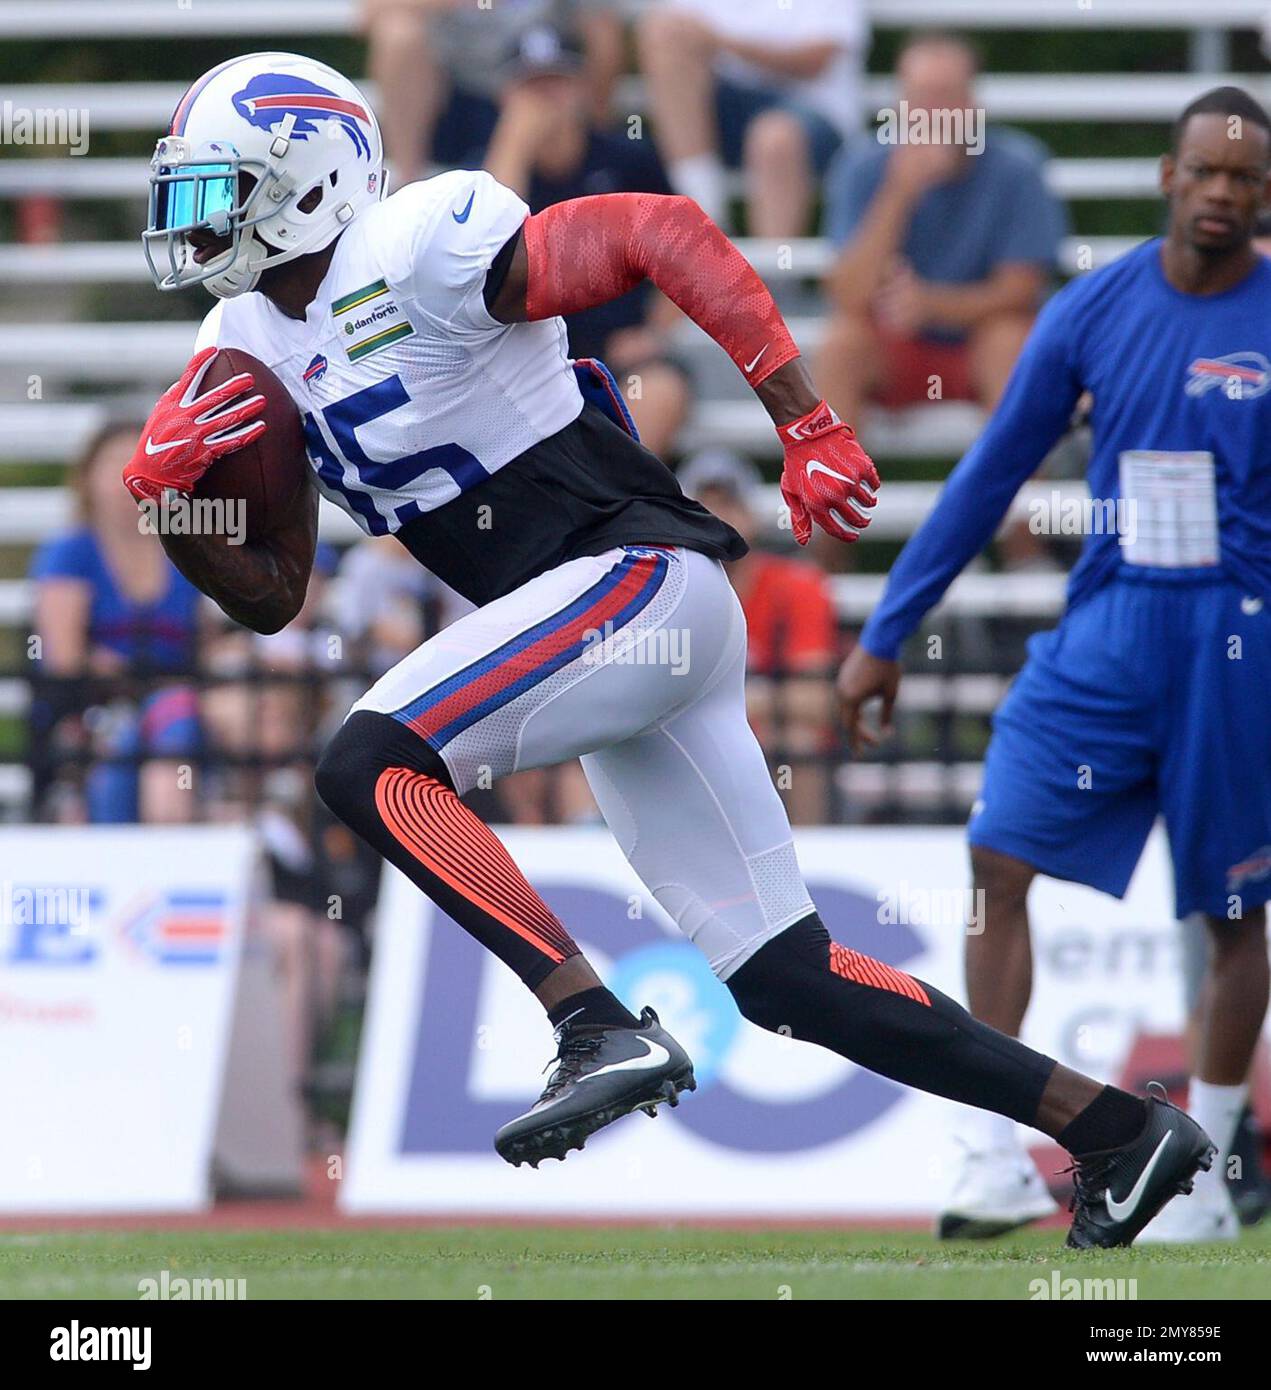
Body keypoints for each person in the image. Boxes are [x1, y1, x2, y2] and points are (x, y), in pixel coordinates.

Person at [132, 51, 1212, 1247]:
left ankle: (590, 1019)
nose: (196, 223)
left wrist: (802, 418)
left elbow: (657, 228)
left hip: (630, 578)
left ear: (311, 179)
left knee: (367, 762)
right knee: (784, 978)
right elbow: (272, 595)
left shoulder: (418, 244)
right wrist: (174, 508)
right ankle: (1115, 1127)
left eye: (217, 190)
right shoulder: (241, 344)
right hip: (601, 625)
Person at [838, 87, 1271, 1243]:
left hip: (1238, 636)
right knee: (995, 857)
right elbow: (989, 473)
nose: (1223, 192)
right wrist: (886, 631)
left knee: (1234, 910)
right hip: (1113, 623)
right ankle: (988, 1155)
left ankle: (1207, 1176)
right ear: (1167, 178)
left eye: (1245, 178)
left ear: (1261, 197)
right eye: (1206, 172)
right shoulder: (1092, 309)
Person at [818, 32, 1065, 433]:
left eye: (945, 97)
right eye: (920, 98)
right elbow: (847, 295)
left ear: (972, 104)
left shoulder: (1017, 166)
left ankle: (1018, 493)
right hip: (894, 346)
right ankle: (833, 491)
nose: (932, 114)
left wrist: (931, 305)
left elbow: (1022, 290)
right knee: (842, 344)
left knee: (1011, 340)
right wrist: (898, 192)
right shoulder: (863, 166)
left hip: (982, 346)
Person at [483, 23, 693, 458]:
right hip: (514, 361)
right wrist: (515, 146)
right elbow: (482, 252)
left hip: (619, 353)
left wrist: (654, 330)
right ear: (506, 95)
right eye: (530, 87)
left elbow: (687, 255)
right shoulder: (479, 179)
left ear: (580, 87)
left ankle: (606, 509)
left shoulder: (627, 161)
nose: (544, 100)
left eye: (556, 83)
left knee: (659, 392)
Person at [29, 421, 203, 824]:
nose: (125, 478)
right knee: (133, 735)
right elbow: (64, 660)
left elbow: (204, 646)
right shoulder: (71, 552)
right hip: (91, 708)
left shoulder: (184, 547)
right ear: (87, 479)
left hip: (175, 708)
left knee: (175, 723)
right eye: (112, 466)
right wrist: (138, 681)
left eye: (137, 462)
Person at [678, 448, 838, 824]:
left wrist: (707, 708)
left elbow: (815, 700)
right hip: (694, 739)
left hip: (755, 734)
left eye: (728, 505)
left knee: (799, 738)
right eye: (703, 505)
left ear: (752, 517)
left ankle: (808, 858)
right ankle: (562, 842)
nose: (717, 518)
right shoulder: (669, 589)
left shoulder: (797, 587)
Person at [637, 0, 867, 235]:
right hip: (725, 110)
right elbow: (676, 33)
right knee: (664, 34)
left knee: (774, 137)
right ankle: (704, 218)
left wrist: (719, 43)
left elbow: (817, 59)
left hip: (814, 111)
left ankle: (768, 270)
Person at [362, 0, 624, 186]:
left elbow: (603, 33)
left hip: (542, 81)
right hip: (455, 95)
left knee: (595, 45)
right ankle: (408, 184)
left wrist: (589, 122)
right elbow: (369, 11)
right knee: (398, 34)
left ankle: (594, 165)